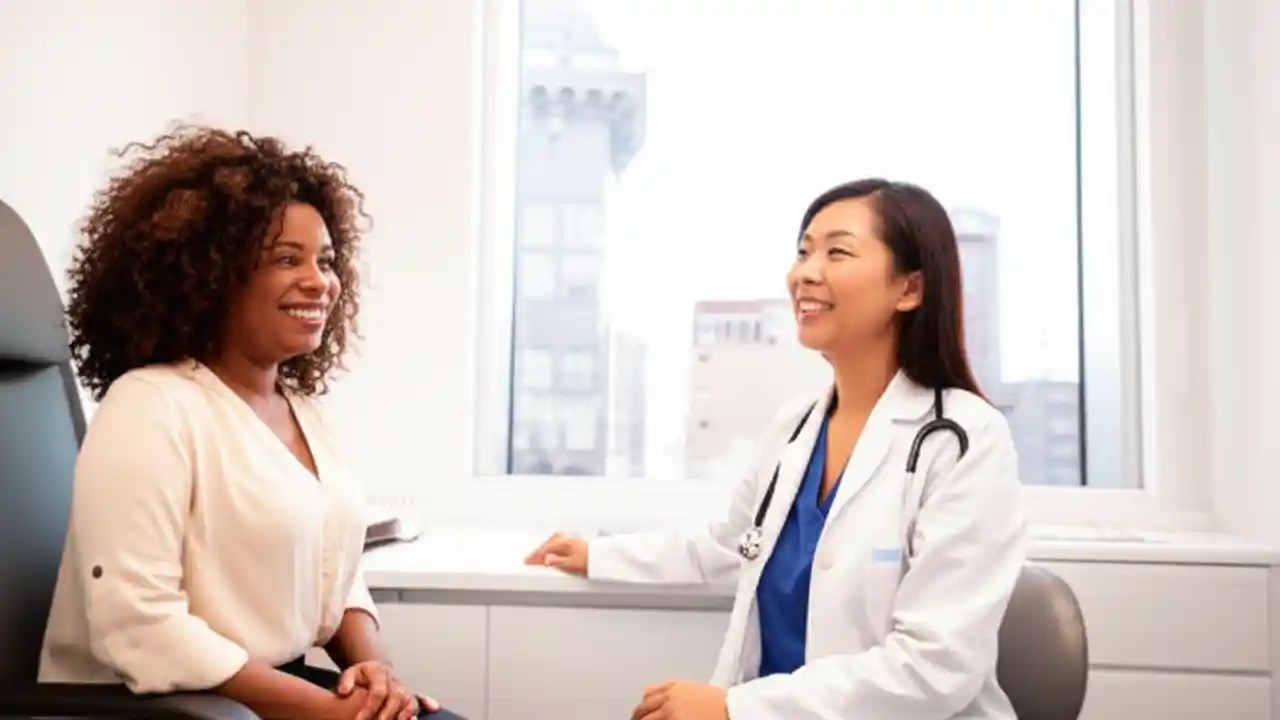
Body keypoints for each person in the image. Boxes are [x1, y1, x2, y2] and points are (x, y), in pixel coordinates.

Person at [526, 179, 1028, 719]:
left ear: (909, 289)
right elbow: (729, 545)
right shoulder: (797, 428)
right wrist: (597, 554)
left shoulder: (963, 439)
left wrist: (734, 708)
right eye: (803, 250)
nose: (805, 273)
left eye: (837, 251)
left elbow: (935, 668)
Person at [40, 125, 465, 720]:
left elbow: (334, 573)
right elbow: (141, 625)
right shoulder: (150, 407)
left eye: (326, 260)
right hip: (173, 708)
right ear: (210, 274)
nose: (319, 281)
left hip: (265, 695)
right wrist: (327, 713)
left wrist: (375, 675)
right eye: (287, 259)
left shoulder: (302, 412)